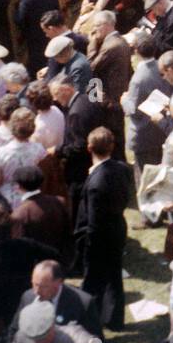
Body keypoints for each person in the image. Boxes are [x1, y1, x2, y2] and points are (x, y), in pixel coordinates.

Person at [74, 128, 133, 331]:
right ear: (112, 146)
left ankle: (90, 322)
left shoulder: (96, 183)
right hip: (117, 228)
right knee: (114, 277)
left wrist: (86, 243)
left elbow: (94, 221)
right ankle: (114, 319)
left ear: (89, 148)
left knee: (93, 281)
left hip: (99, 237)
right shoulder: (123, 169)